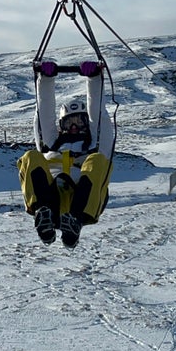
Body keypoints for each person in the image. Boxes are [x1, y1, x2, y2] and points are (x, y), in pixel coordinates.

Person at [17, 59, 115, 247]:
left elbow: (99, 113)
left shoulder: (96, 143)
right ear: (61, 125)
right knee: (31, 157)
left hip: (83, 197)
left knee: (97, 161)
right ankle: (43, 213)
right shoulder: (50, 143)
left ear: (87, 123)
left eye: (79, 121)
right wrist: (45, 79)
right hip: (50, 195)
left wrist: (94, 78)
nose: (73, 127)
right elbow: (43, 114)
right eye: (68, 122)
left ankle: (75, 222)